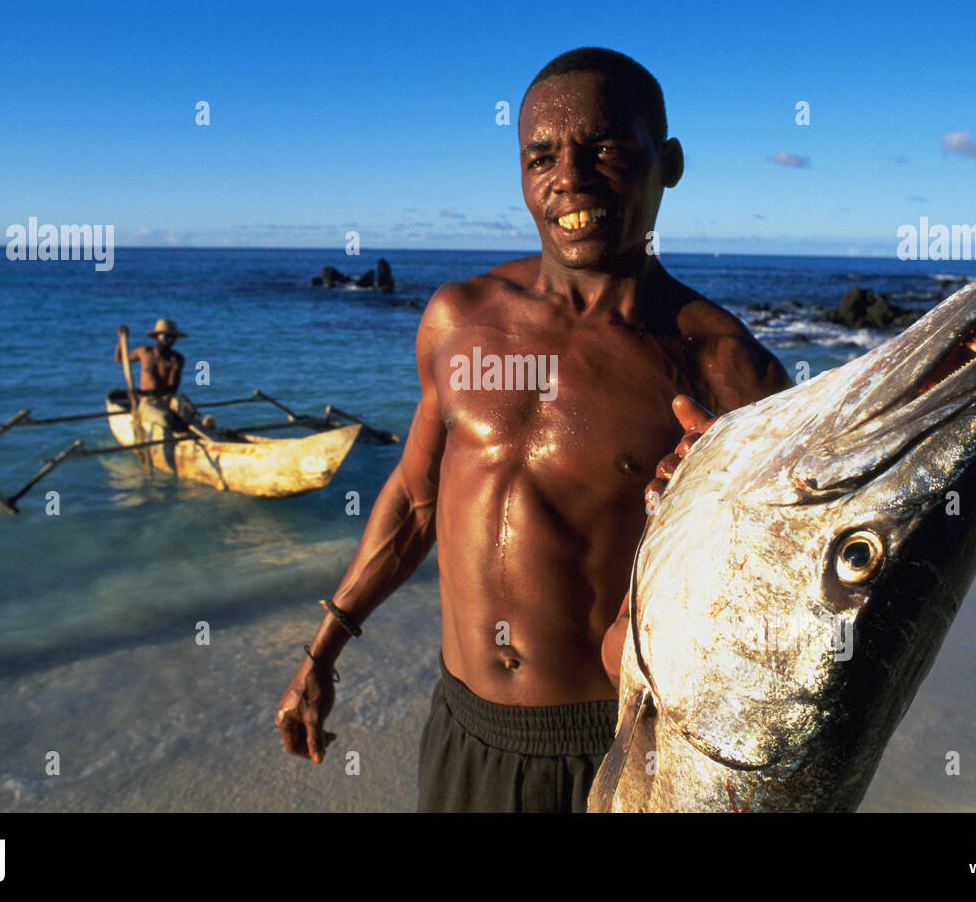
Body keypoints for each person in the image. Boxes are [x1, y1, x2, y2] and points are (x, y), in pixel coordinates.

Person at [275, 47, 791, 812]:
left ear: (669, 162)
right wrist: (326, 645)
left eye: (606, 148)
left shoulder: (727, 374)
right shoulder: (459, 319)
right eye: (541, 155)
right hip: (464, 730)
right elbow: (417, 499)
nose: (570, 178)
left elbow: (782, 601)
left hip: (615, 746)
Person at [115, 318, 201, 430]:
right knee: (163, 420)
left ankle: (195, 425)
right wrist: (121, 339)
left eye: (172, 337)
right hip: (147, 401)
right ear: (157, 337)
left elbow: (172, 389)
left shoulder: (176, 359)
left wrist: (143, 392)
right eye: (166, 336)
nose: (170, 340)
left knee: (187, 408)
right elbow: (120, 359)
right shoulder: (144, 352)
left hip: (167, 399)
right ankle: (176, 426)